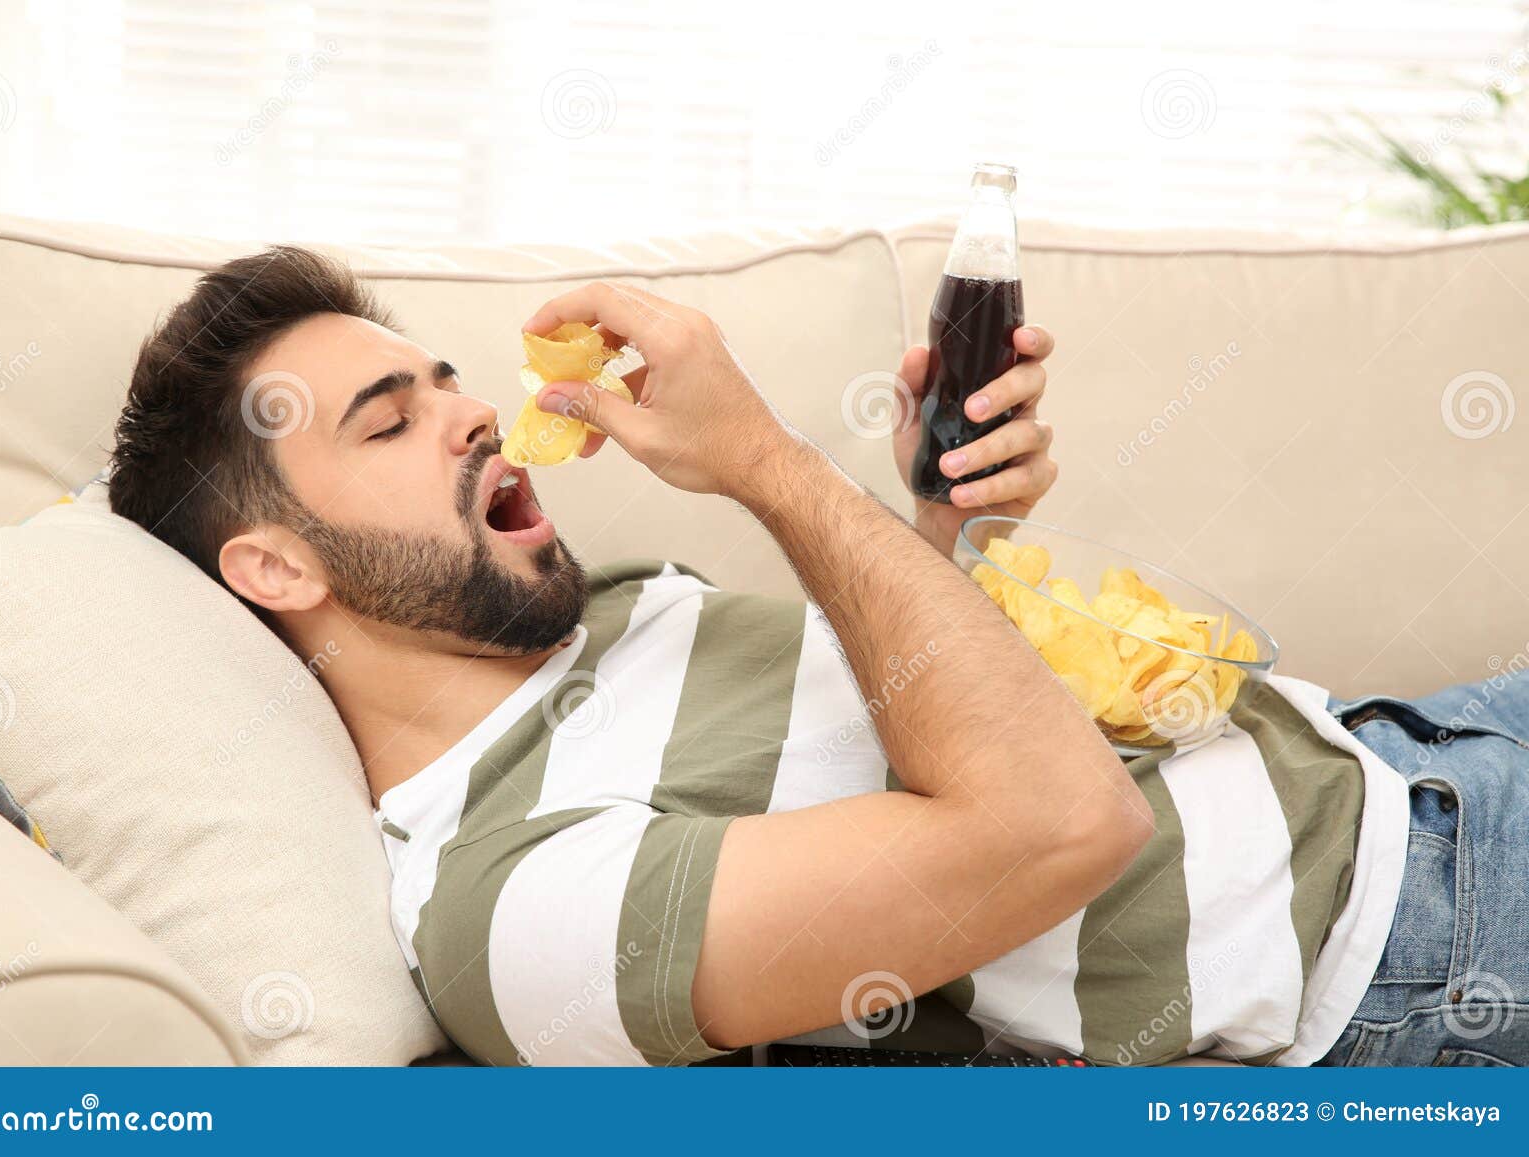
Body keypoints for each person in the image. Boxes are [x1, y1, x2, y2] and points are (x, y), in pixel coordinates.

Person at [108, 247, 1529, 1067]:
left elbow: (911, 734)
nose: (474, 415)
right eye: (386, 420)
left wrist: (933, 519)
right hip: (1418, 939)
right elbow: (1054, 822)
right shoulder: (513, 903)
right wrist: (772, 467)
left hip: (1415, 750)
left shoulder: (595, 616)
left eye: (444, 380)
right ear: (275, 567)